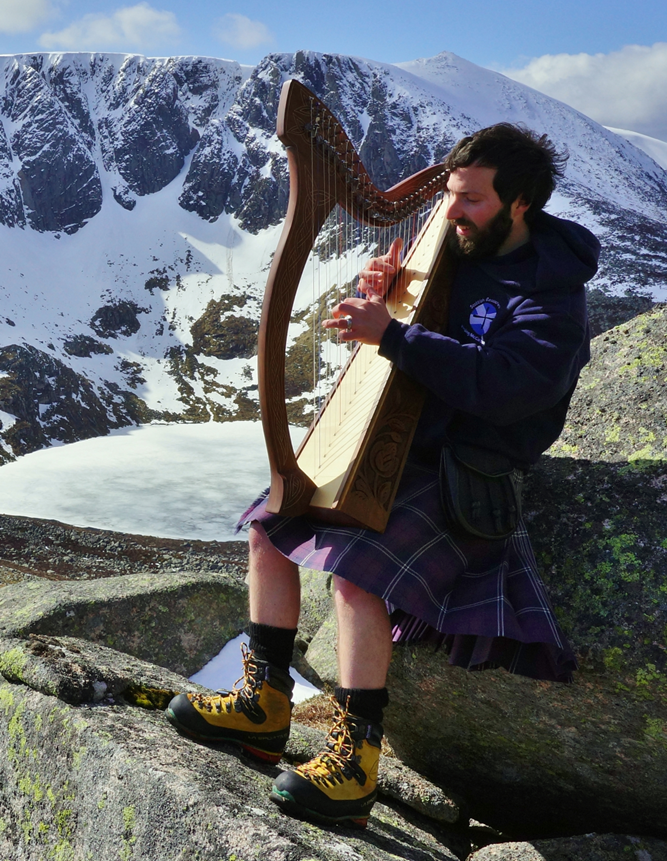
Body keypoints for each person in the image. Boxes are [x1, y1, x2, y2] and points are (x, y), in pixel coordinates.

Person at [166, 122, 600, 829]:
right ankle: (262, 702)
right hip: (408, 448)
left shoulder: (551, 295)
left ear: (520, 204)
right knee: (270, 525)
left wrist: (395, 334)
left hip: (467, 471)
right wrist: (393, 296)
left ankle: (354, 759)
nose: (452, 212)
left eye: (471, 199)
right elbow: (427, 329)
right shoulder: (458, 247)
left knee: (355, 573)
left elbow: (506, 388)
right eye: (450, 195)